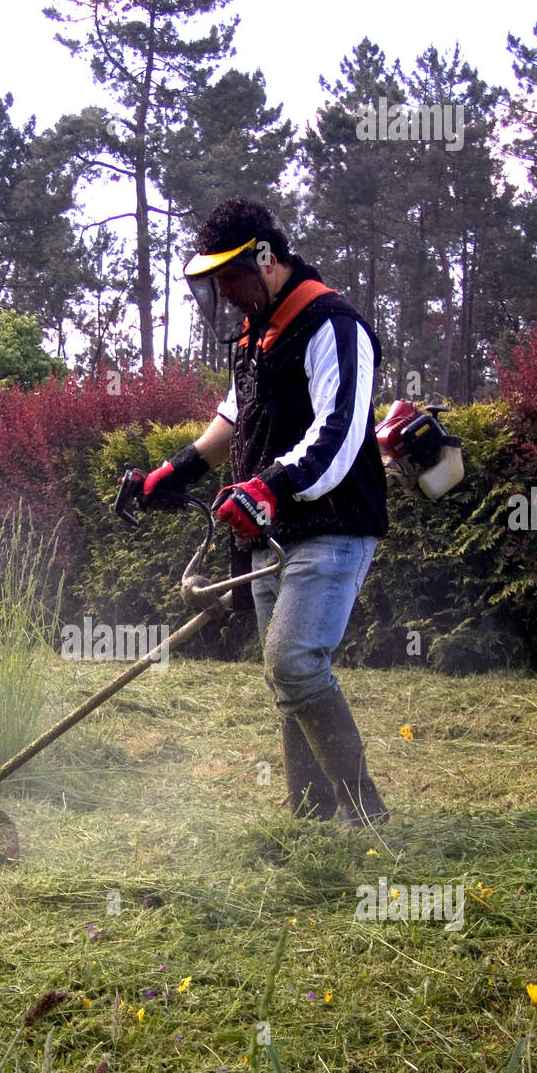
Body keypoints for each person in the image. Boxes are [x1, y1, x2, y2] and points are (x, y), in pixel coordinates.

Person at [142, 196, 388, 828]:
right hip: (270, 530)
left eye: (232, 279)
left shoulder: (334, 325)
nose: (226, 295)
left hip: (331, 524)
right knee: (288, 681)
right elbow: (234, 418)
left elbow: (339, 431)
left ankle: (365, 813)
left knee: (295, 662)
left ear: (268, 260)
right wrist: (172, 471)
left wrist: (272, 486)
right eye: (216, 284)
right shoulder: (256, 337)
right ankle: (310, 815)